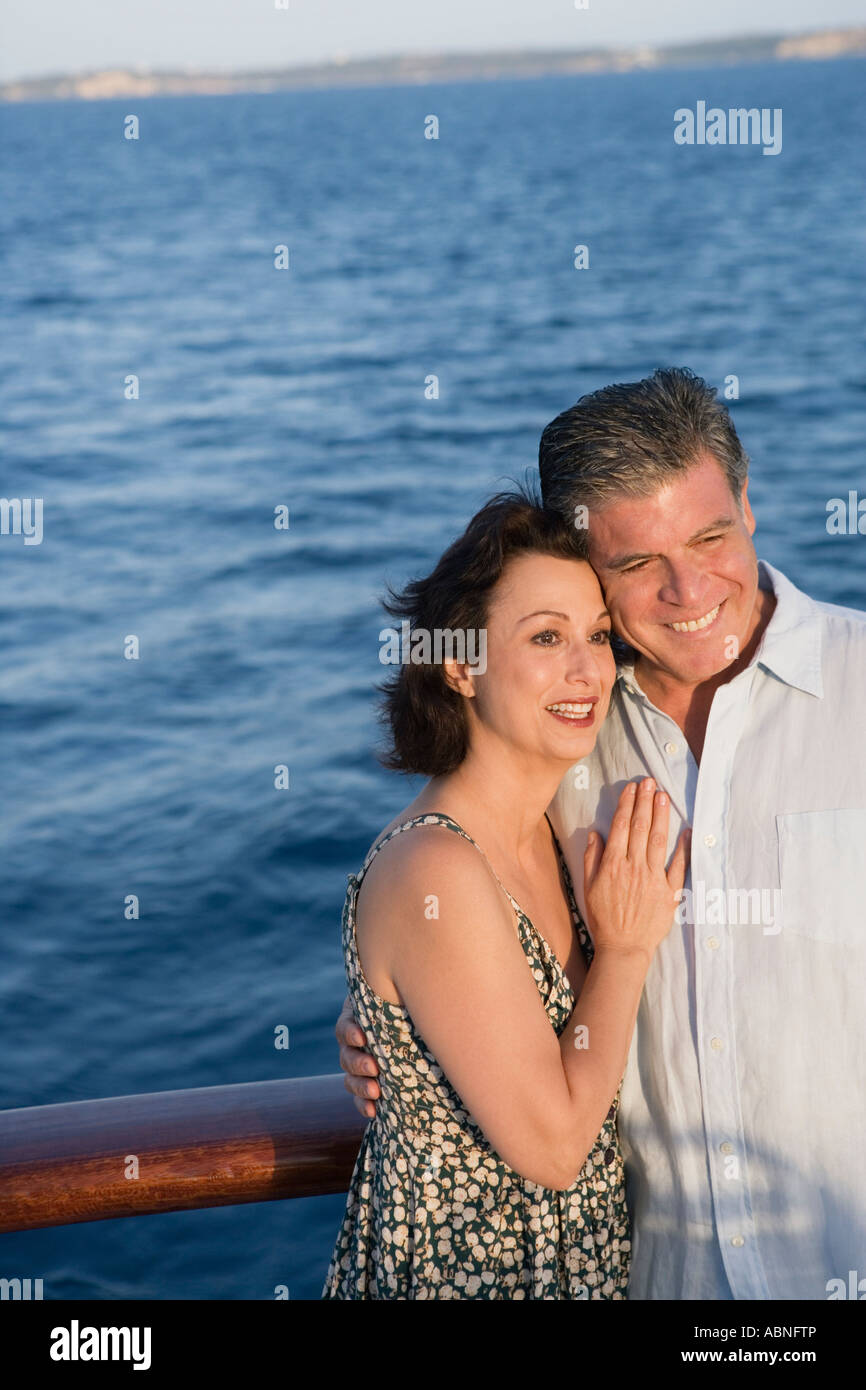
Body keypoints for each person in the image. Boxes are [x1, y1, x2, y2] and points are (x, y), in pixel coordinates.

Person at [338, 367, 866, 1300]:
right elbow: (452, 901)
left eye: (710, 536)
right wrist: (389, 1019)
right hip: (662, 1281)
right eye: (636, 565)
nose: (688, 588)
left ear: (748, 504)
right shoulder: (568, 736)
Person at [323, 490, 689, 1299]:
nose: (588, 669)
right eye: (546, 637)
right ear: (460, 665)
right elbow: (554, 1150)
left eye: (598, 635)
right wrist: (625, 951)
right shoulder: (436, 868)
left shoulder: (555, 829)